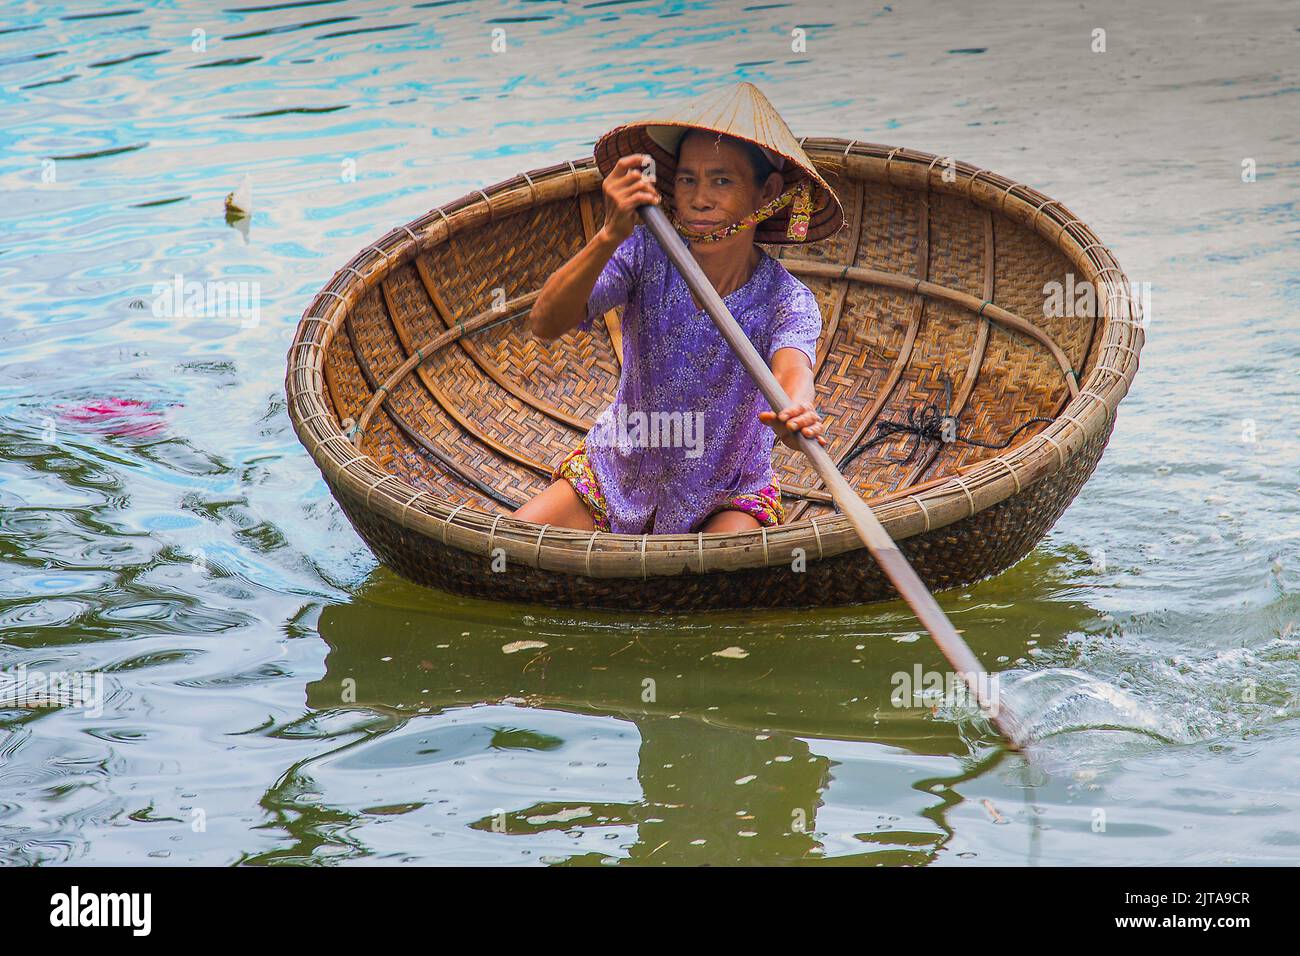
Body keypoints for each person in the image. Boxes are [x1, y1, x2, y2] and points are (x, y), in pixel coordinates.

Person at [514, 82, 846, 535]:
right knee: (513, 547)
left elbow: (793, 375)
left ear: (767, 193)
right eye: (688, 179)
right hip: (619, 473)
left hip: (726, 493)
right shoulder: (643, 253)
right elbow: (545, 322)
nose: (698, 198)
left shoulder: (787, 301)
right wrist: (609, 234)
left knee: (720, 573)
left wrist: (794, 413)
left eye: (721, 181)